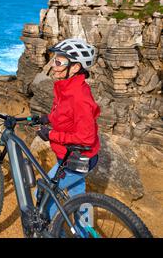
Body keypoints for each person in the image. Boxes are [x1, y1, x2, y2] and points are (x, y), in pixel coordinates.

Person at [35, 38, 101, 221]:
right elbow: (65, 114)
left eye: (59, 61)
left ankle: (52, 232)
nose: (53, 65)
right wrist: (47, 118)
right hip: (70, 157)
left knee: (43, 194)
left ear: (75, 67)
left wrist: (51, 135)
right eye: (53, 59)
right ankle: (84, 234)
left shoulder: (78, 96)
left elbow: (86, 137)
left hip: (76, 160)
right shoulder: (67, 87)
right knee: (78, 199)